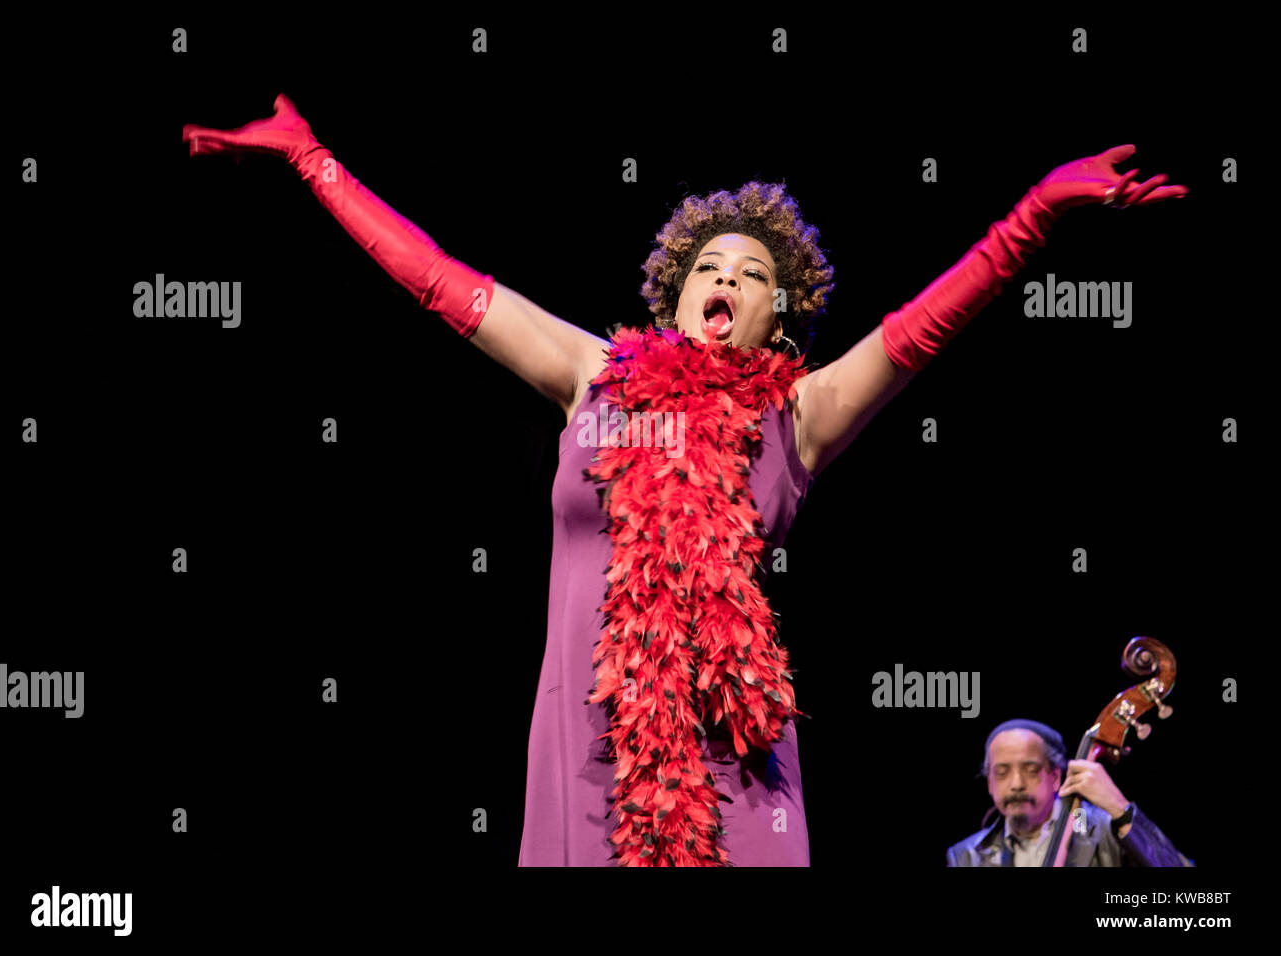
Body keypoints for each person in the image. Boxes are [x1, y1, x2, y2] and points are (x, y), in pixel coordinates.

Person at [182, 95, 1188, 866]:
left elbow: (925, 324)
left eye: (751, 273)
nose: (726, 279)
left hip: (732, 762)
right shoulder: (589, 373)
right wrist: (311, 160)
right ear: (674, 293)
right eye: (710, 264)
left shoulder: (797, 415)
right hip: (582, 737)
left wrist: (1035, 218)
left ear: (776, 316)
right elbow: (439, 280)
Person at [947, 719, 1193, 866]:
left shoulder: (1102, 827)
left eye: (1031, 770)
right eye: (1001, 772)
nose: (1016, 783)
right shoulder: (965, 855)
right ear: (989, 782)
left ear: (1055, 777)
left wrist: (1119, 808)